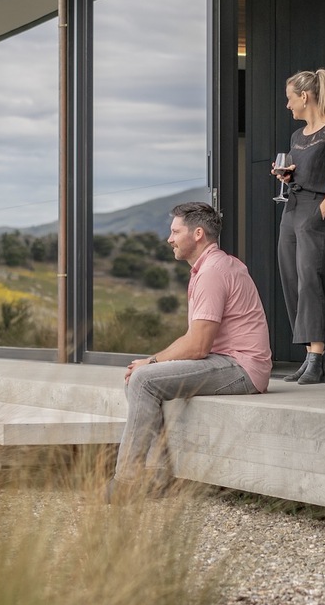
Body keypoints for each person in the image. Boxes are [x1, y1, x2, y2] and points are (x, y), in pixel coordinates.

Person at [113, 201, 271, 496]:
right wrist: (152, 363)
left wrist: (151, 361)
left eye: (175, 231)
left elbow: (198, 345)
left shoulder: (213, 272)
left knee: (144, 379)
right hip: (228, 362)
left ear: (198, 234)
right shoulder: (213, 266)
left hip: (241, 369)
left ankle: (127, 484)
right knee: (142, 379)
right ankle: (156, 480)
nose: (169, 238)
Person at [270, 68, 325, 384]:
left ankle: (317, 358)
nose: (288, 105)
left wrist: (319, 212)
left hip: (316, 214)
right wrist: (287, 176)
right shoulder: (296, 137)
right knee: (292, 281)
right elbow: (303, 173)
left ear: (304, 96)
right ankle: (309, 356)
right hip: (291, 210)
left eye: (290, 99)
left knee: (310, 281)